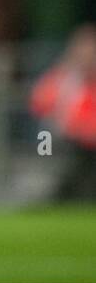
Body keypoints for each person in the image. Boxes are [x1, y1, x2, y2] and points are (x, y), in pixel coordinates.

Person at [30, 24, 96, 200]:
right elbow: (39, 102)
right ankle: (46, 185)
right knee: (45, 135)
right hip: (66, 141)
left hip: (89, 142)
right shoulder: (62, 78)